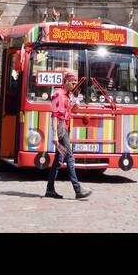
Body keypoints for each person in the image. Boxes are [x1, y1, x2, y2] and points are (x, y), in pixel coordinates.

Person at [45, 72, 90, 201]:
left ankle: (49, 189)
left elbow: (71, 111)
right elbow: (54, 115)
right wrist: (54, 134)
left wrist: (76, 106)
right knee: (70, 157)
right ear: (66, 82)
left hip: (65, 128)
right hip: (60, 129)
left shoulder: (69, 95)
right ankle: (78, 189)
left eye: (76, 82)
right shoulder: (57, 95)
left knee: (58, 161)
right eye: (73, 82)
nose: (75, 85)